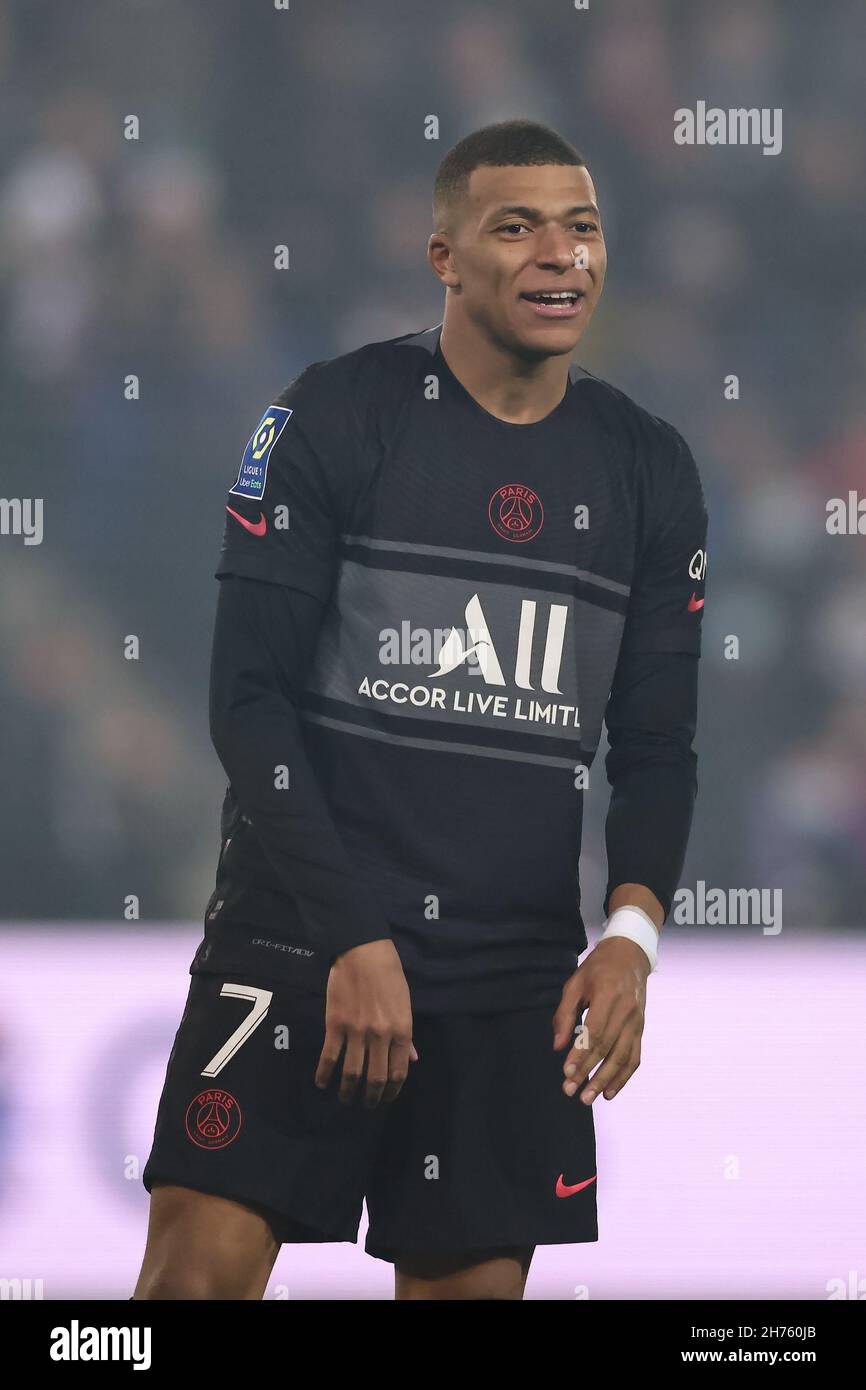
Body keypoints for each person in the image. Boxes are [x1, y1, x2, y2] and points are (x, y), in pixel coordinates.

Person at [134, 118, 707, 1301]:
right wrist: (349, 934)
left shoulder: (648, 468)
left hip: (506, 983)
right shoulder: (334, 415)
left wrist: (631, 936)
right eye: (518, 227)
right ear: (442, 256)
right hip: (296, 942)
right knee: (189, 1285)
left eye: (582, 227)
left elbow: (653, 746)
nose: (561, 255)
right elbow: (248, 702)